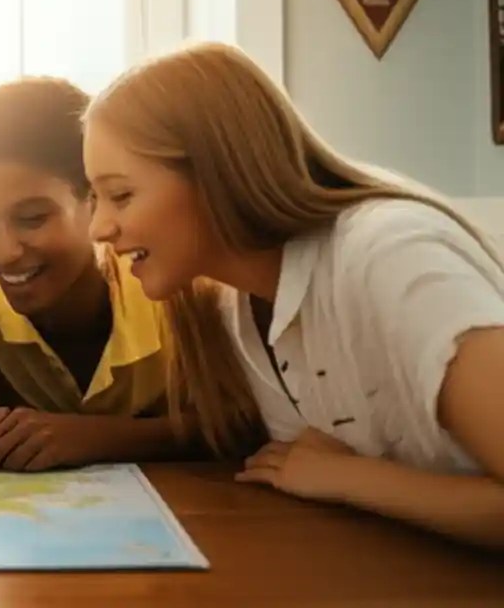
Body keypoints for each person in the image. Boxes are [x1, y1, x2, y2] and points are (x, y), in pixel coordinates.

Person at [82, 41, 504, 549]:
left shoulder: (390, 255)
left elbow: (328, 471)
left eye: (121, 195)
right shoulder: (232, 307)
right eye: (95, 198)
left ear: (218, 172)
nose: (99, 228)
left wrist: (348, 477)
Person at [0, 77, 195, 472]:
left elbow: (240, 423)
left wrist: (98, 437)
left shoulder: (174, 289)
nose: (5, 251)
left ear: (96, 201)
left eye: (32, 218)